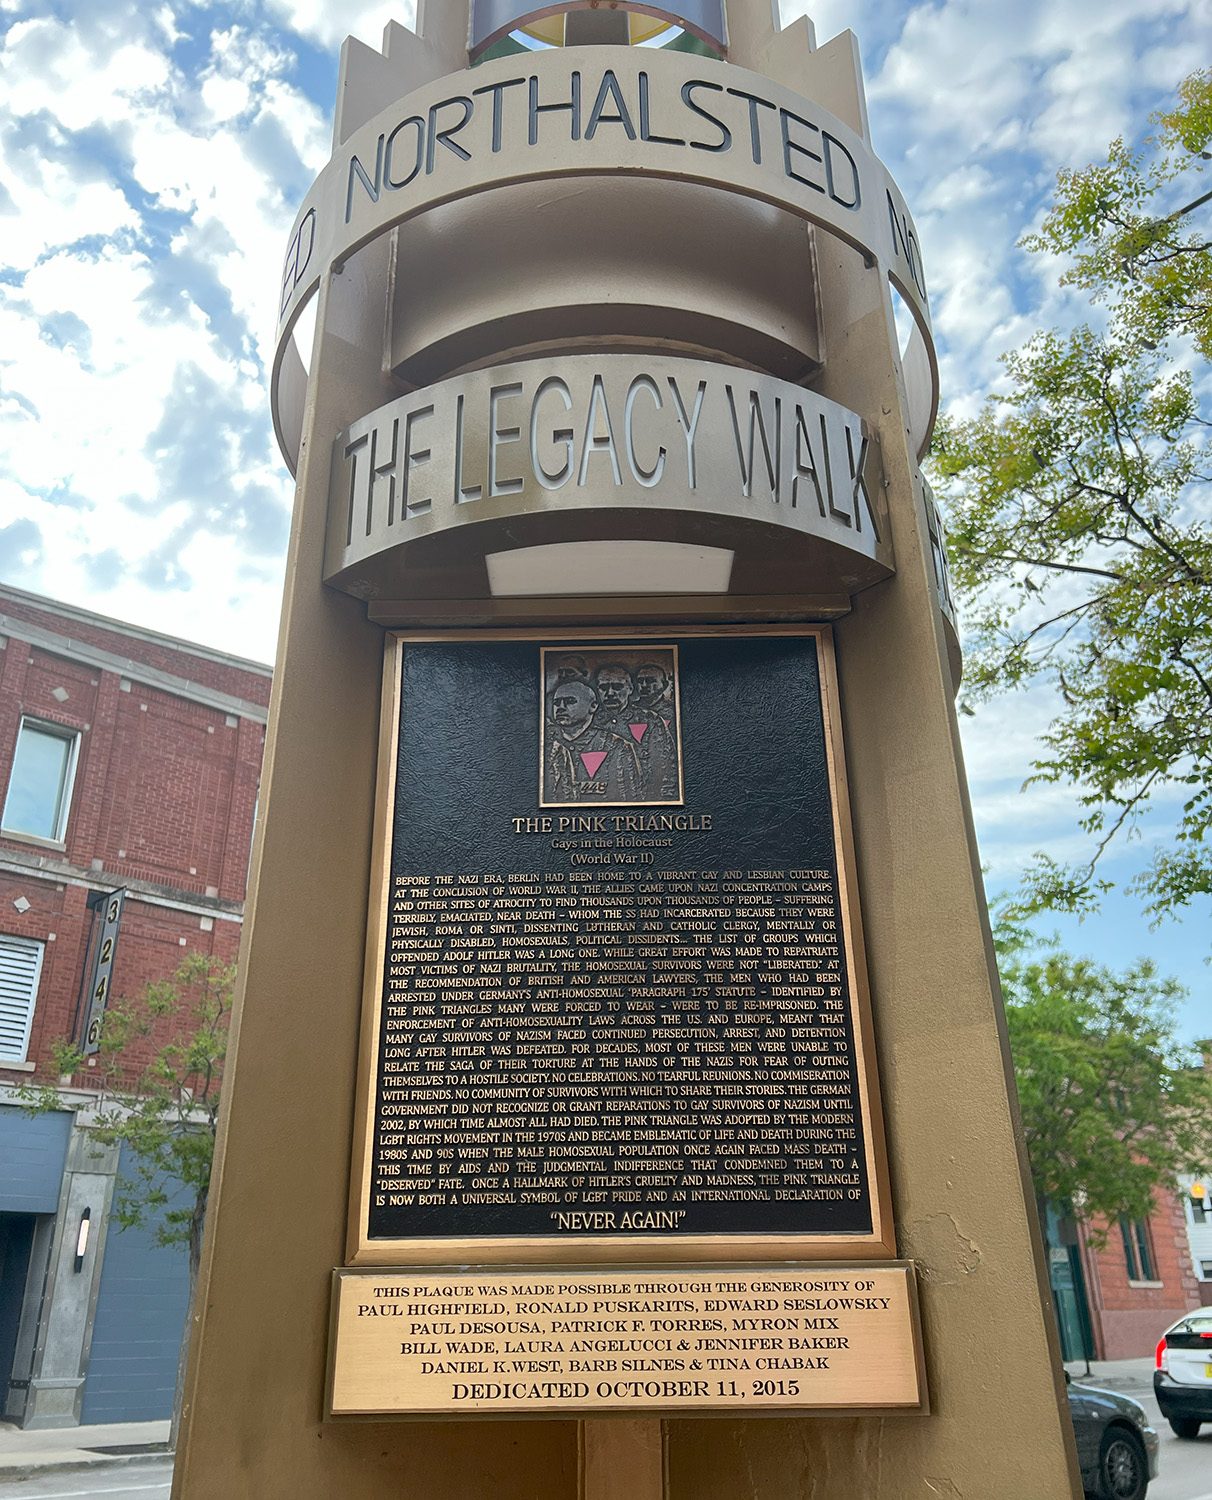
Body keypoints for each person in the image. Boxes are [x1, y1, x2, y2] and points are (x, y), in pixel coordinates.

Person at [546, 678, 641, 803]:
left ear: (593, 706)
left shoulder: (617, 746)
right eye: (556, 703)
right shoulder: (547, 746)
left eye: (570, 701)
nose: (561, 708)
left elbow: (629, 798)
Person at [591, 662, 677, 801]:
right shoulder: (588, 723)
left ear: (630, 689)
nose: (610, 693)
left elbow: (665, 769)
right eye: (604, 688)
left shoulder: (651, 720)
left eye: (617, 687)